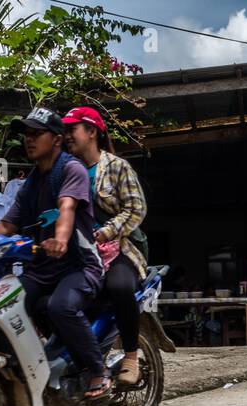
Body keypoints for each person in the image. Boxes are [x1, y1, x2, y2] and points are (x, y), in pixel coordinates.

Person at [0, 107, 109, 398]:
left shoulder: (71, 169)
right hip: (42, 270)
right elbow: (7, 223)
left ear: (56, 139)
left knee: (60, 306)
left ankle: (97, 371)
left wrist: (61, 239)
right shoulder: (31, 182)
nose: (28, 140)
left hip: (78, 267)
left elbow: (67, 207)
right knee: (1, 303)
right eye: (26, 135)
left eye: (36, 133)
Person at [61, 106, 148, 388]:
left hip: (118, 251)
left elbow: (136, 208)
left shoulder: (117, 167)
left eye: (72, 129)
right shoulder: (63, 170)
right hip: (79, 256)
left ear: (92, 132)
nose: (67, 136)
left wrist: (106, 232)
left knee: (120, 288)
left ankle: (132, 358)